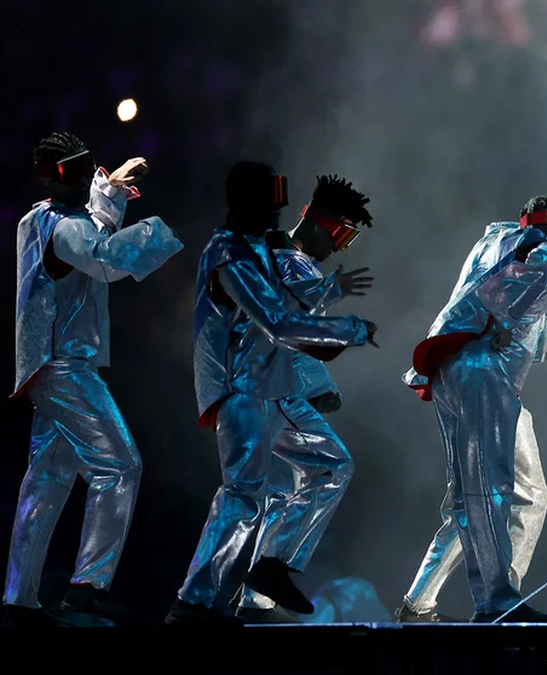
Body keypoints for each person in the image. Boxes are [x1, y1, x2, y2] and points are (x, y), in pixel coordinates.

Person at [166, 161, 377, 626]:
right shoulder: (233, 255)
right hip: (244, 388)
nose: (276, 218)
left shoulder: (259, 250)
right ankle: (196, 603)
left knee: (318, 472)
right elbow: (279, 322)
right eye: (269, 208)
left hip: (269, 385)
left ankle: (260, 578)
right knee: (243, 496)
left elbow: (285, 324)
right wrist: (348, 323)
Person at [2, 132, 182, 628]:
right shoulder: (63, 228)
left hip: (49, 364)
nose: (83, 176)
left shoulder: (38, 219)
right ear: (49, 175)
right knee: (120, 467)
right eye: (74, 171)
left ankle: (19, 601)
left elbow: (93, 235)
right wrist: (157, 232)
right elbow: (104, 258)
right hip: (65, 368)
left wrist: (112, 188)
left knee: (46, 482)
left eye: (86, 167)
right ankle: (88, 585)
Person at [396, 208, 547, 623]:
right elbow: (512, 312)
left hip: (458, 368)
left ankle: (422, 601)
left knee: (476, 494)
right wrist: (510, 315)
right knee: (501, 491)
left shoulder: (495, 244)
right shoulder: (545, 252)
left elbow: (518, 337)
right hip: (484, 373)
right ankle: (499, 601)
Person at [234, 174, 377, 623]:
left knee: (276, 492)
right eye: (341, 233)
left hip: (254, 384)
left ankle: (252, 602)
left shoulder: (282, 259)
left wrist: (320, 385)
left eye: (349, 238)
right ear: (316, 220)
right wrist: (322, 381)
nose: (341, 246)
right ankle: (266, 574)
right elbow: (292, 330)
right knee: (332, 467)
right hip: (267, 387)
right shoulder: (292, 265)